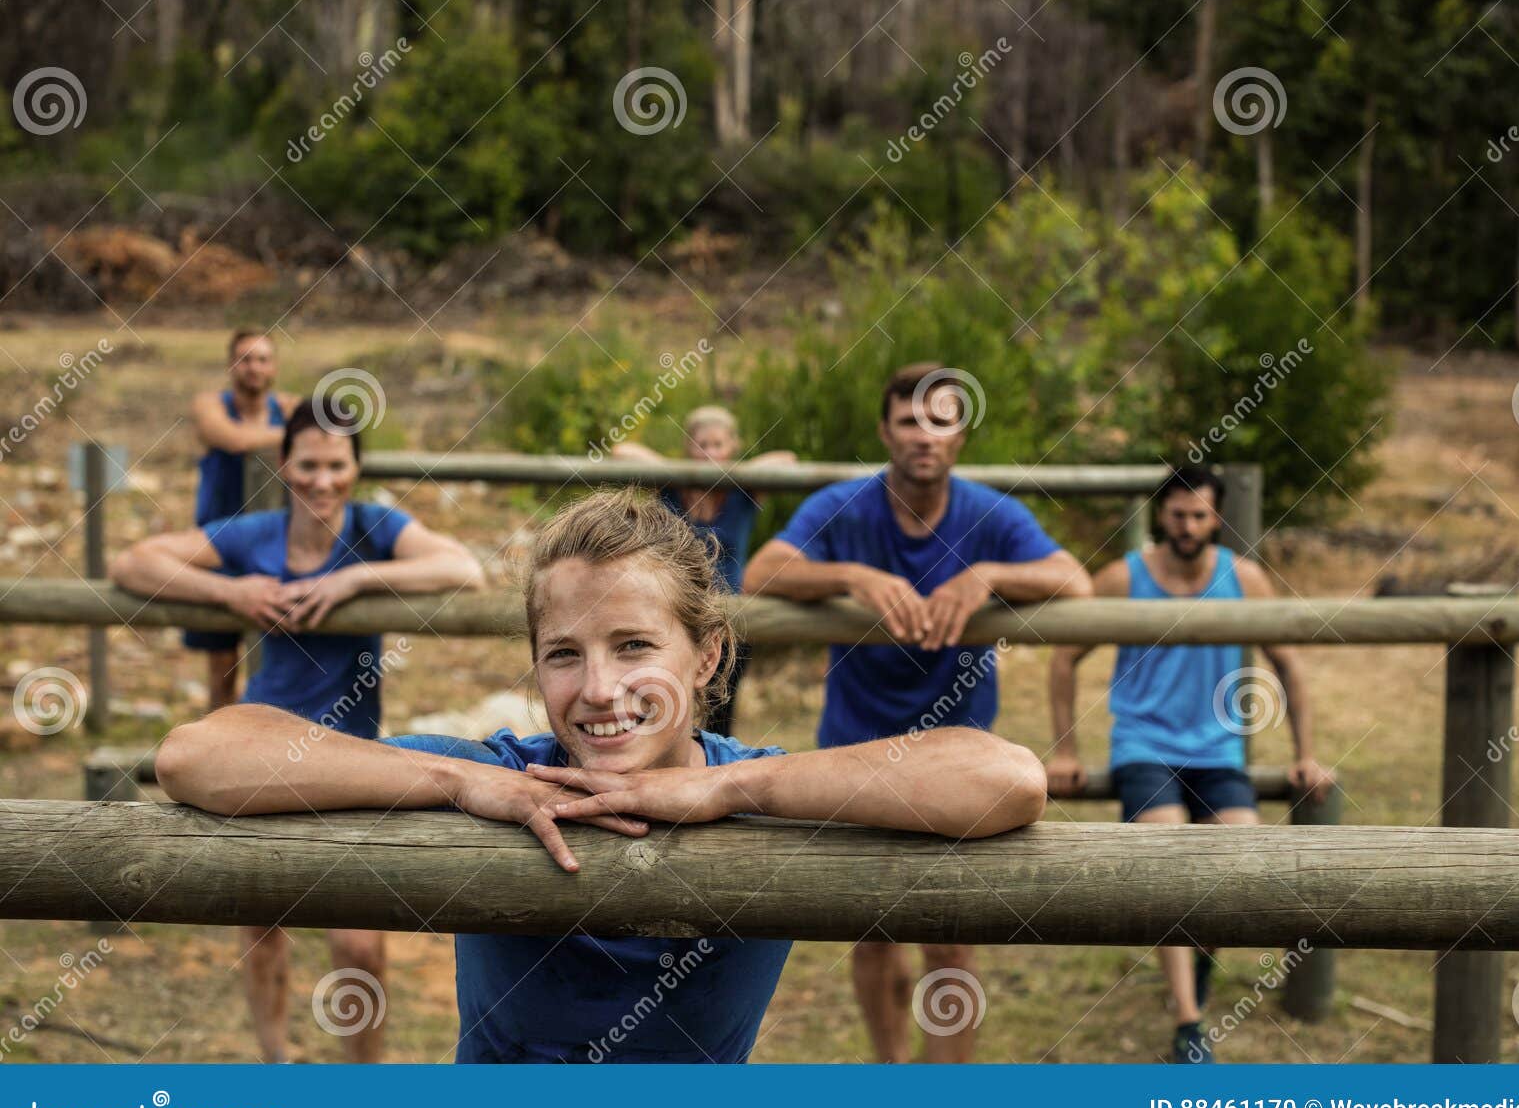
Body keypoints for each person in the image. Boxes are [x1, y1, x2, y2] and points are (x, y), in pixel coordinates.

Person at [151, 489, 1048, 1064]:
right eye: (563, 655)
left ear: (709, 653)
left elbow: (1003, 776)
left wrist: (731, 791)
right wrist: (455, 783)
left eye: (633, 646)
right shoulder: (503, 774)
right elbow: (196, 755)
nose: (599, 690)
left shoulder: (761, 790)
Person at [110, 395, 486, 1063]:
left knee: (359, 941)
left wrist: (354, 583)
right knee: (260, 921)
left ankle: (361, 1088)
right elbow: (135, 562)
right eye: (308, 463)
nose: (322, 479)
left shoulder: (375, 528)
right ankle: (276, 1062)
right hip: (261, 743)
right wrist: (233, 593)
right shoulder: (256, 535)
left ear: (355, 468)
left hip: (351, 759)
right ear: (284, 464)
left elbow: (463, 566)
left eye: (336, 464)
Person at [742, 362, 1091, 1064]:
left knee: (951, 933)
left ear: (960, 436)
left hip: (953, 753)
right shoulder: (844, 506)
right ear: (885, 430)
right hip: (855, 749)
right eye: (909, 420)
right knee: (871, 929)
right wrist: (851, 574)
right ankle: (890, 1073)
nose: (924, 436)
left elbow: (1073, 578)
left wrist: (988, 574)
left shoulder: (990, 515)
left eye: (941, 421)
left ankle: (946, 1097)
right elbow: (760, 573)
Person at [1045, 464, 1332, 1064]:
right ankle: (1188, 1024)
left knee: (1235, 871)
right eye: (1178, 514)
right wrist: (1065, 748)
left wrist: (1305, 755)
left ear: (1217, 518)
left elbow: (1290, 664)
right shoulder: (1123, 578)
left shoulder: (1244, 579)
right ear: (1160, 516)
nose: (1189, 526)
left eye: (1200, 515)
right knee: (1168, 865)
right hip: (1145, 745)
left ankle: (1195, 974)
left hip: (1218, 749)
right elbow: (1064, 654)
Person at [610, 405, 797, 735]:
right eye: (701, 445)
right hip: (673, 613)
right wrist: (677, 471)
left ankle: (711, 773)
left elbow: (787, 460)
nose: (709, 453)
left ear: (732, 447)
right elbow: (621, 451)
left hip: (731, 618)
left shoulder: (743, 492)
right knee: (668, 701)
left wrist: (733, 472)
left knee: (721, 710)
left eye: (717, 445)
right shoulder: (671, 487)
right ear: (688, 448)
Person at [184, 329, 299, 713]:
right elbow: (229, 437)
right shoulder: (210, 404)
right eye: (245, 359)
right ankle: (216, 751)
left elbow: (328, 436)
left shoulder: (289, 407)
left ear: (275, 366)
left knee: (275, 659)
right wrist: (288, 437)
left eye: (263, 359)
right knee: (221, 666)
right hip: (218, 545)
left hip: (274, 544)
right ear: (232, 365)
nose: (254, 368)